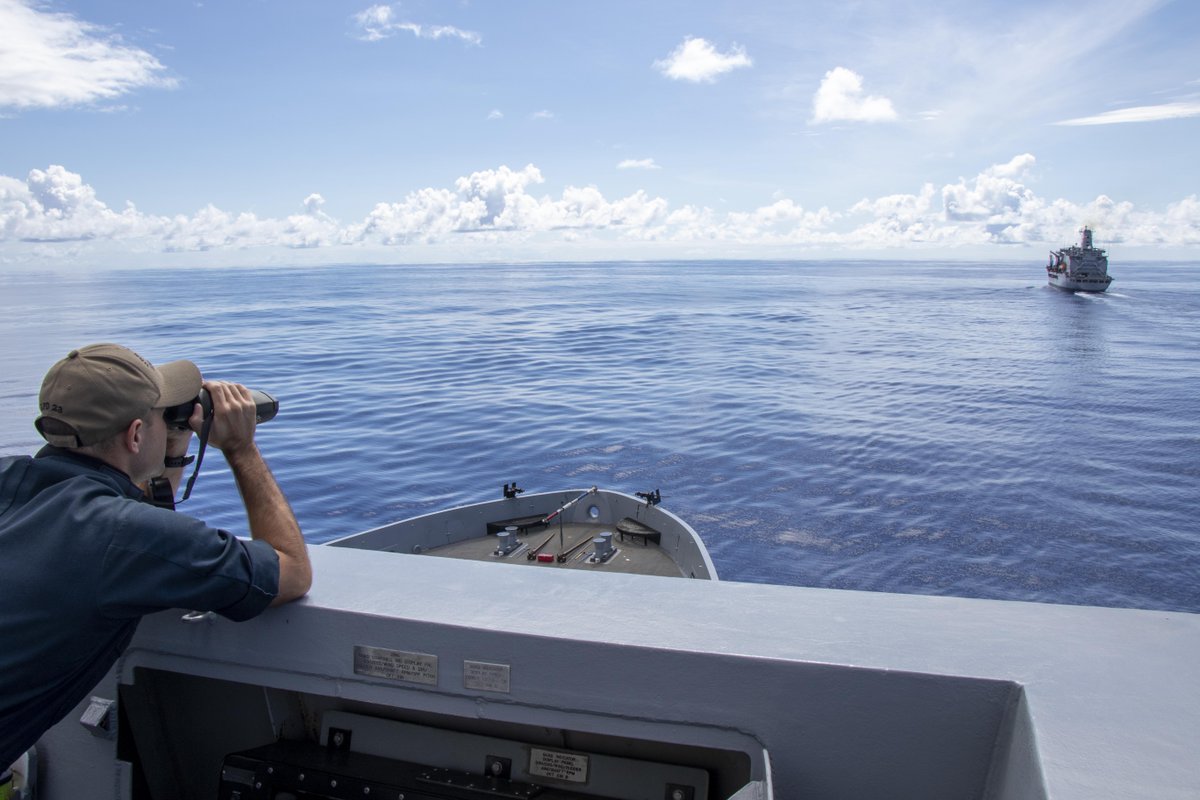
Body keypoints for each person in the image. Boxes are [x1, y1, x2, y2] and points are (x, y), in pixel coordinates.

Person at [0, 343, 312, 769]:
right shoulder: (125, 538)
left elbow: (134, 519)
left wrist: (170, 441)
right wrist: (241, 449)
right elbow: (290, 571)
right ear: (134, 435)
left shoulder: (12, 480)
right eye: (159, 417)